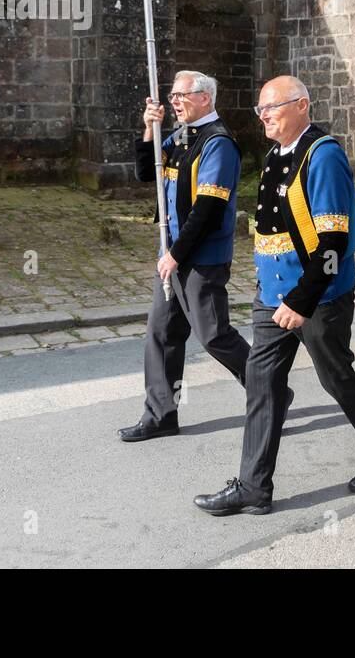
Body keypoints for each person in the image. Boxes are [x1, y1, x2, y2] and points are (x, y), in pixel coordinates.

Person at [192, 76, 355, 515]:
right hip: (273, 297)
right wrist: (269, 288)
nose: (264, 115)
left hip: (317, 296)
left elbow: (333, 243)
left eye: (273, 107)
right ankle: (253, 486)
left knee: (336, 378)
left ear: (302, 106)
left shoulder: (322, 156)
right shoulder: (274, 155)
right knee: (262, 385)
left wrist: (301, 301)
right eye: (260, 108)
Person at [118, 70, 252, 443]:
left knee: (214, 336)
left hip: (201, 257)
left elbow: (208, 208)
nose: (174, 101)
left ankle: (269, 391)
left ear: (205, 98)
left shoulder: (218, 143)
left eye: (181, 95)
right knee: (161, 334)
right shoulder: (179, 137)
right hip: (173, 255)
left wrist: (176, 255)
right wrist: (150, 129)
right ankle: (161, 414)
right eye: (172, 95)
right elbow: (146, 172)